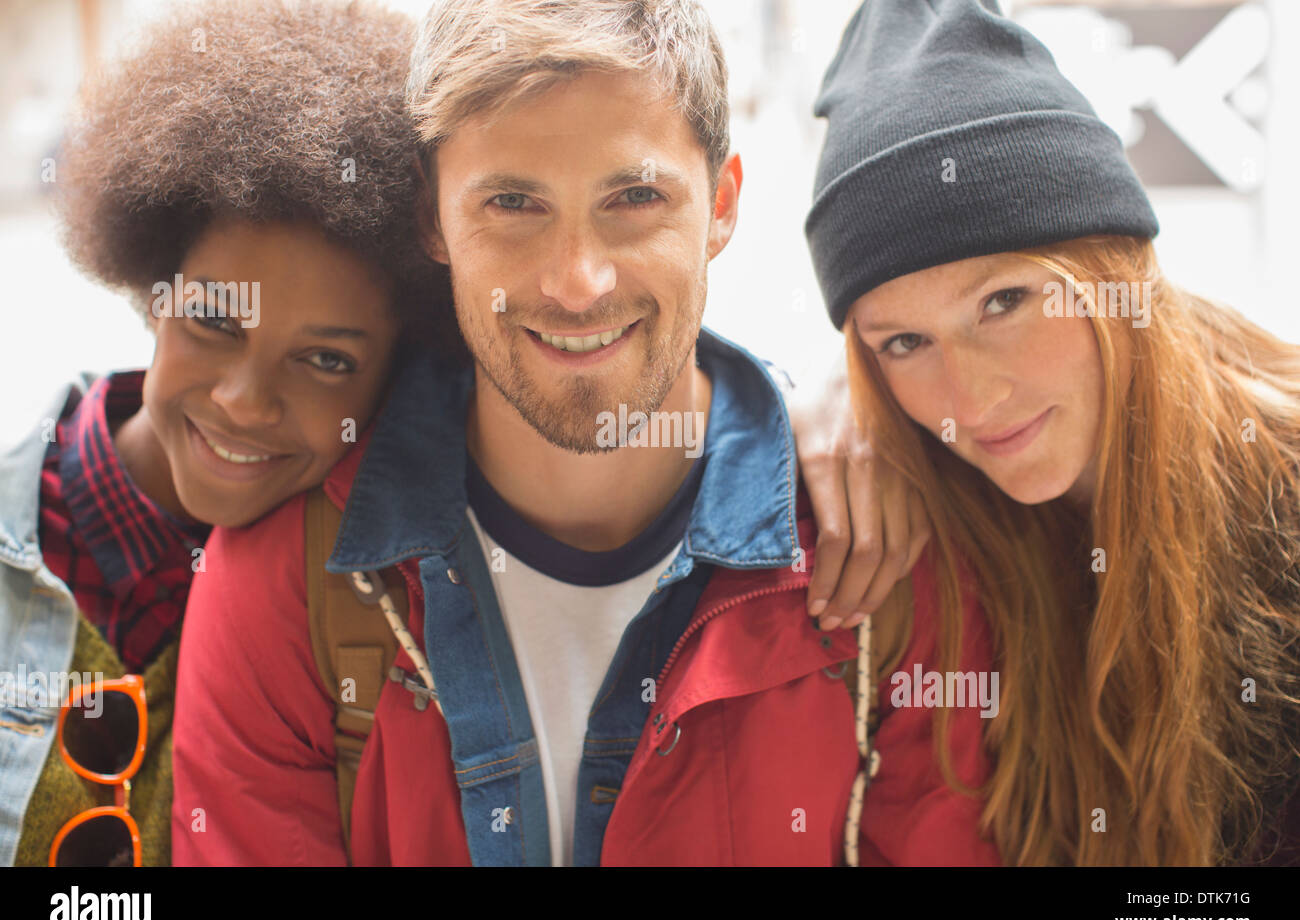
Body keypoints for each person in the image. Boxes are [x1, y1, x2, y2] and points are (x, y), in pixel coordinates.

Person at [1, 0, 918, 867]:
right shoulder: (276, 574)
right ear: (432, 222)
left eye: (635, 196)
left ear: (722, 206)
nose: (575, 281)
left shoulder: (876, 541)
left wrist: (852, 402)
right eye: (511, 204)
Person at [806, 0, 1300, 864]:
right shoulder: (946, 520)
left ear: (1112, 269)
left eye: (1004, 301)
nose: (969, 395)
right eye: (906, 343)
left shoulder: (1282, 488)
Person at [0, 0, 464, 867]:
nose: (247, 402)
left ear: (395, 375)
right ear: (151, 287)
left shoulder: (398, 594)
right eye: (214, 319)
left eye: (325, 362)